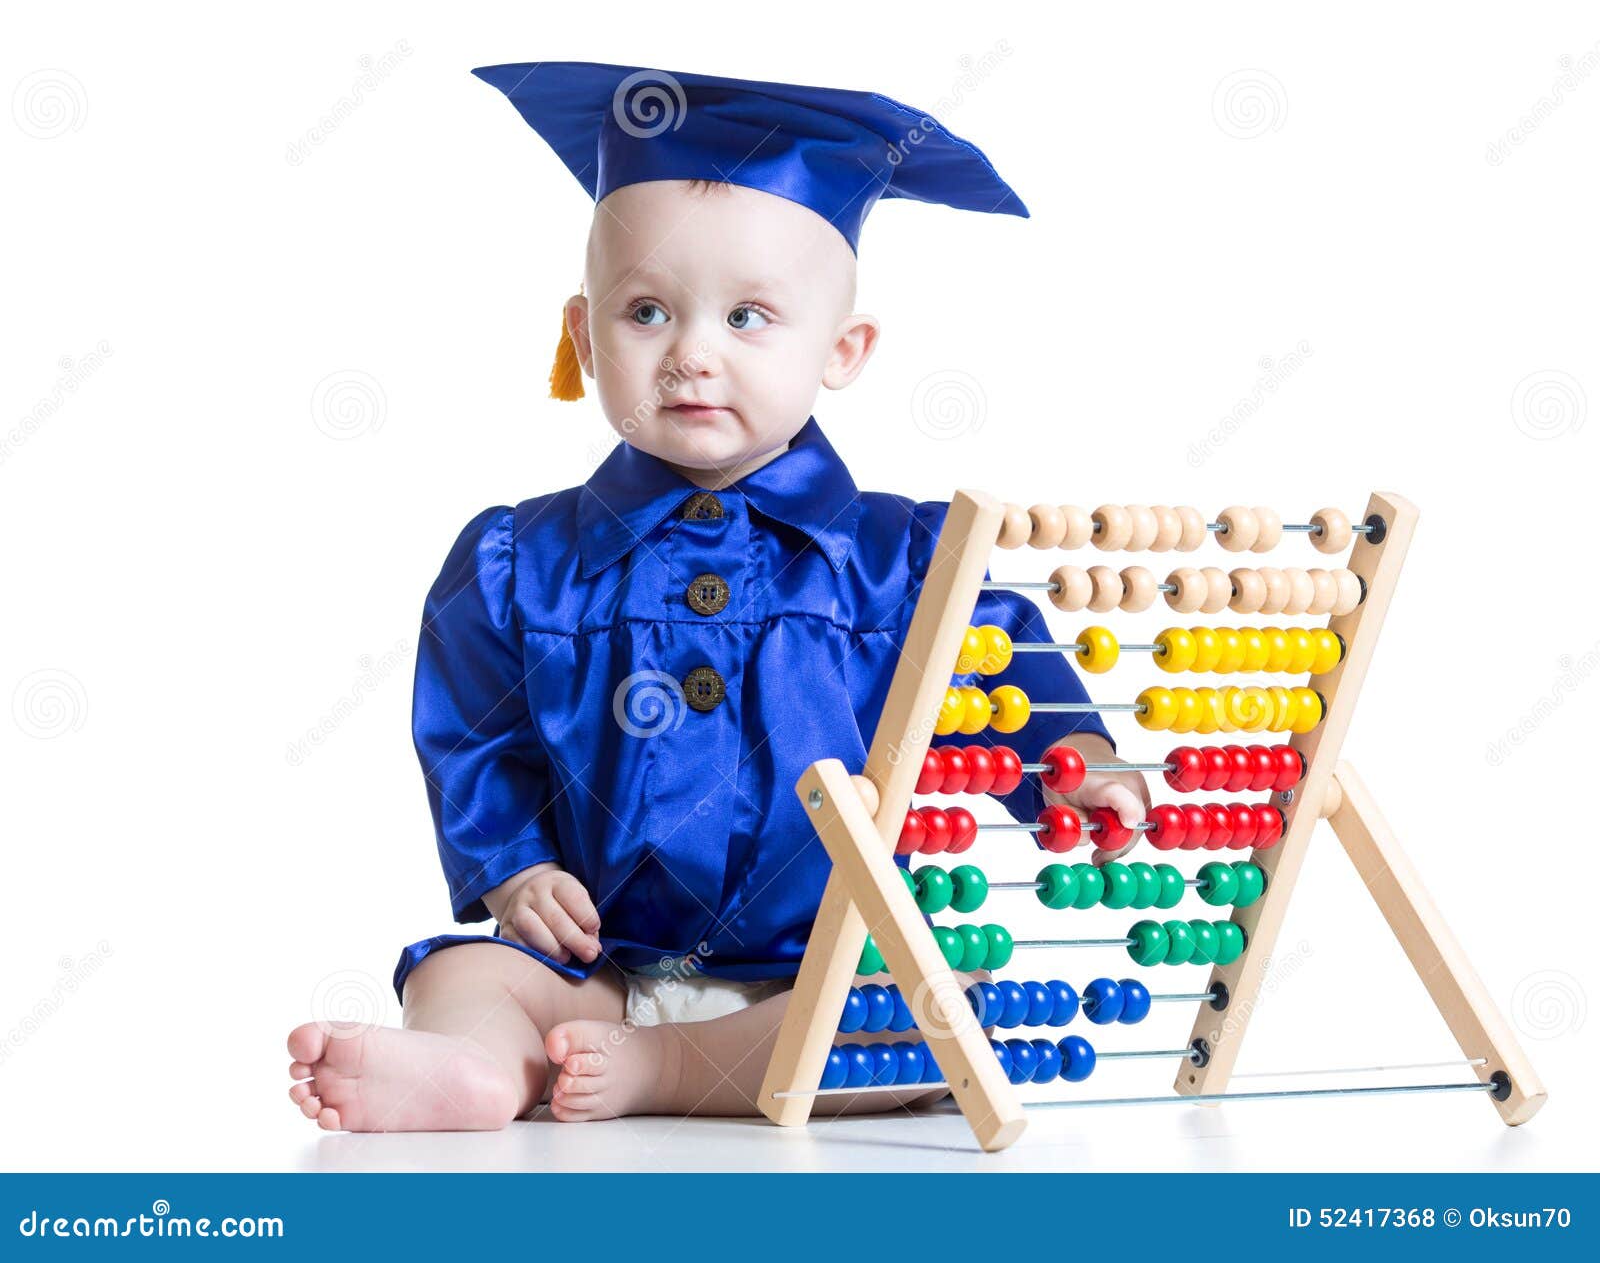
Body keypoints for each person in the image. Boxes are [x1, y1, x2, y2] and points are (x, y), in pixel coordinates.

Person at [287, 62, 1146, 1131]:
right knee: (462, 977)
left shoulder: (906, 560)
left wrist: (1079, 768)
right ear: (582, 332)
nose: (691, 353)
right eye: (646, 310)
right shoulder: (519, 560)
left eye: (748, 317)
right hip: (598, 964)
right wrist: (513, 873)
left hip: (823, 969)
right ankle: (484, 1067)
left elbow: (1003, 676)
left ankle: (664, 1069)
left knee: (933, 1016)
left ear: (842, 351)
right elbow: (475, 736)